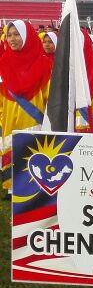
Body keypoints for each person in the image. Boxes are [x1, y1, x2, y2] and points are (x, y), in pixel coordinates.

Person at [0, 20, 52, 192]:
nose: (12, 39)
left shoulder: (44, 64)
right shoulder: (3, 64)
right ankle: (13, 192)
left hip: (35, 124)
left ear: (27, 37)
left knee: (33, 173)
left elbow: (50, 99)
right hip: (9, 124)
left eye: (17, 34)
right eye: (9, 35)